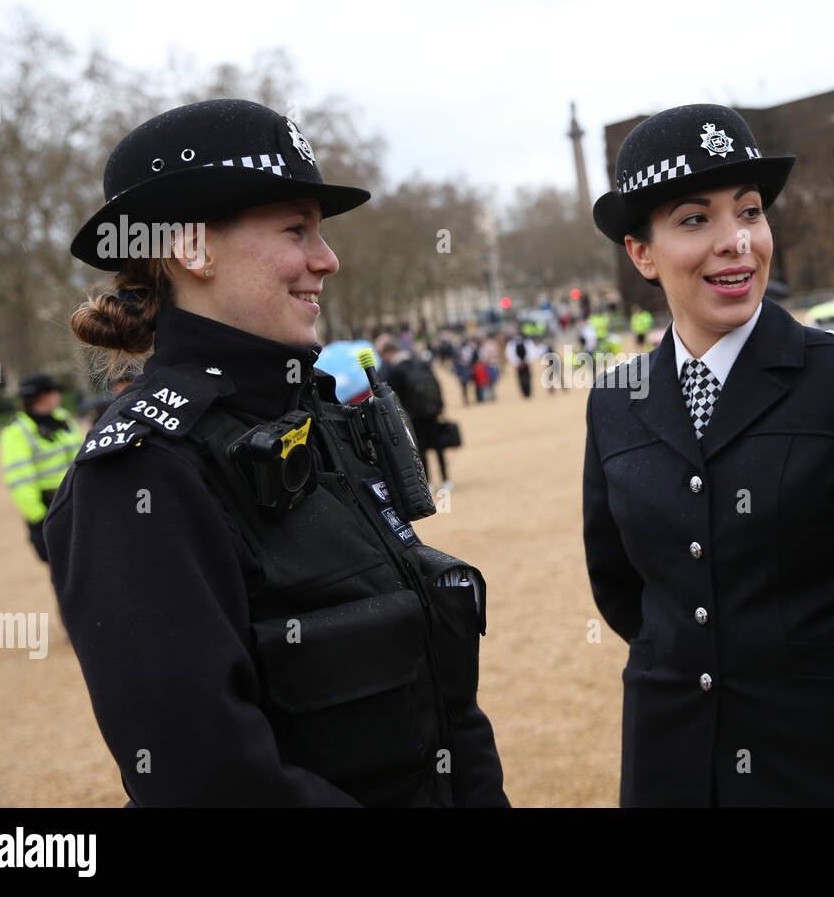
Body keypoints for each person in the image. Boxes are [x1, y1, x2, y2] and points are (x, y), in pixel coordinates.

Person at [45, 99, 505, 807]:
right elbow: (209, 781)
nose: (328, 259)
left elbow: (441, 688)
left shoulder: (315, 411)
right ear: (192, 248)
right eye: (296, 230)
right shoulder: (143, 474)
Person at [584, 103, 834, 807]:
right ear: (641, 253)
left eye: (749, 212)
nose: (736, 241)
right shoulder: (616, 400)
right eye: (694, 219)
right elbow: (623, 590)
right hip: (672, 770)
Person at [0, 374, 83, 564]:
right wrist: (39, 517)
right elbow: (19, 478)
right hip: (48, 506)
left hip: (75, 499)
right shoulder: (17, 431)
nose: (59, 396)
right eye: (55, 392)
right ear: (41, 396)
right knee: (62, 566)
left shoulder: (63, 417)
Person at [380, 339, 451, 493]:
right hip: (431, 410)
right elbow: (435, 383)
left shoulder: (395, 370)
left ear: (388, 353)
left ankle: (428, 483)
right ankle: (446, 479)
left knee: (421, 449)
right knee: (438, 446)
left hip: (413, 415)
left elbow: (393, 396)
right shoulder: (420, 361)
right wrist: (439, 405)